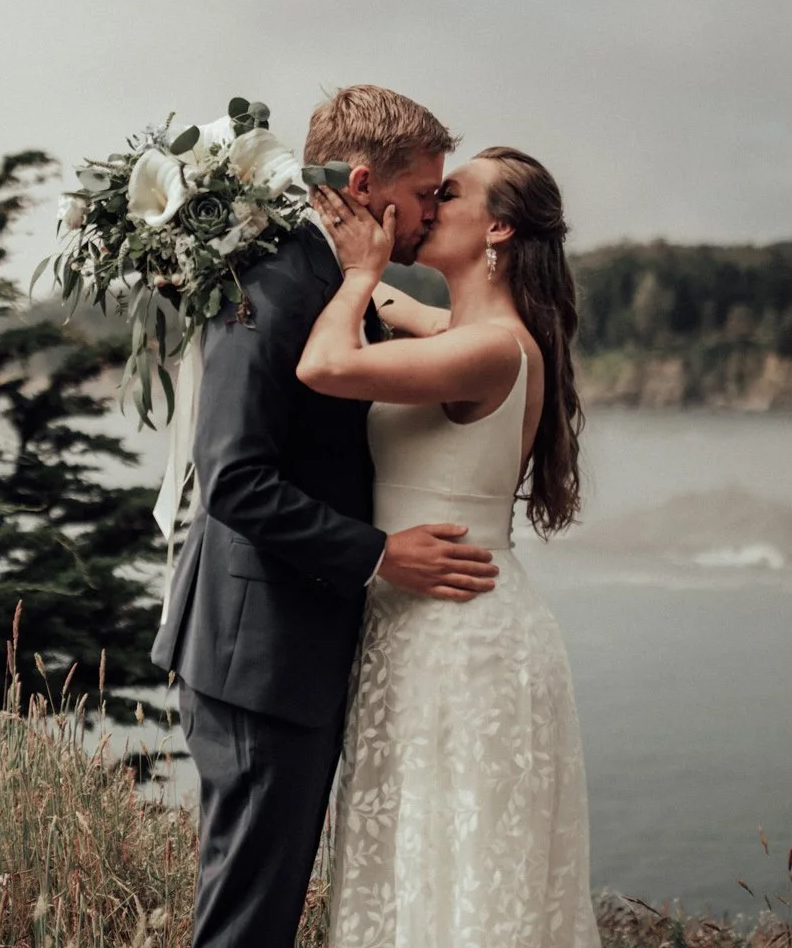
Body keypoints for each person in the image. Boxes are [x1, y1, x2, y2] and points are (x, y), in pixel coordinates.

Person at [149, 86, 504, 948]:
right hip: (258, 655)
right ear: (362, 183)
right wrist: (382, 556)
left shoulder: (344, 282)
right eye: (425, 193)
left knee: (259, 912)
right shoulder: (271, 281)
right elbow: (232, 476)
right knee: (246, 922)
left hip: (288, 646)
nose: (428, 212)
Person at [303, 146, 597, 948]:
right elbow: (418, 316)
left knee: (464, 872)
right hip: (419, 627)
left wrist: (360, 276)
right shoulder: (475, 332)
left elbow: (327, 364)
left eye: (450, 194)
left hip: (462, 639)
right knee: (417, 866)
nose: (428, 206)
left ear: (498, 226)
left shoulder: (494, 348)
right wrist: (347, 242)